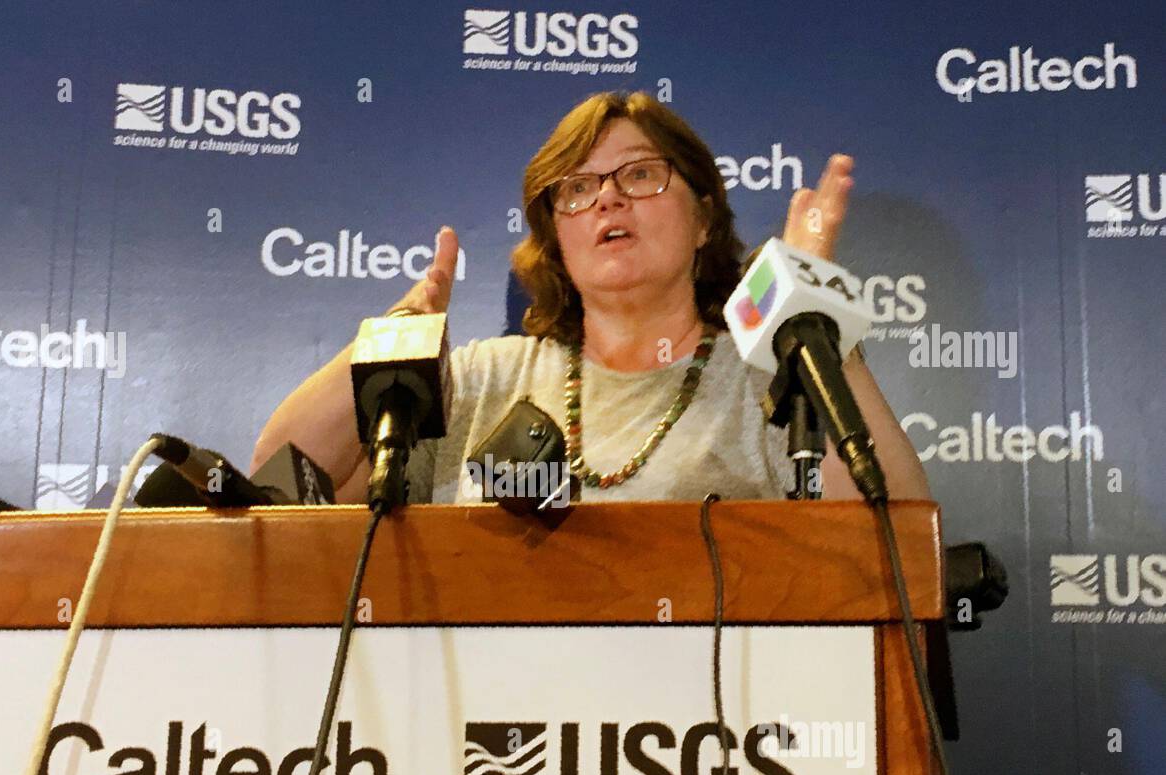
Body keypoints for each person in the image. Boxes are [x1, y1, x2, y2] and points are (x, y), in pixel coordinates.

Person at [252, 91, 930, 505]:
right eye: (576, 189)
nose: (606, 196)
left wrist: (804, 318)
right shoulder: (485, 379)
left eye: (639, 174)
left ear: (702, 220)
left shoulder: (767, 383)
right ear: (558, 240)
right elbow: (284, 477)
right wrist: (394, 339)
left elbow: (890, 534)